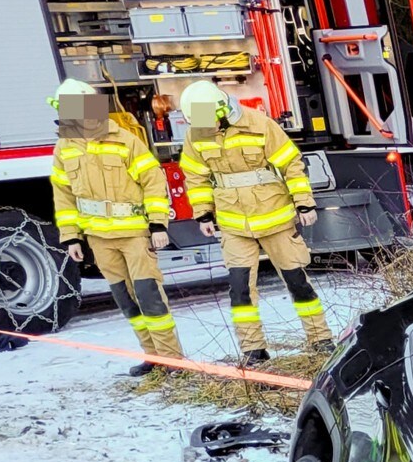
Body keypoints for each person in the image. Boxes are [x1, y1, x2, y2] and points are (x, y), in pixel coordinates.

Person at [176, 81, 325, 365]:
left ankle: (320, 339)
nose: (205, 128)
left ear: (222, 111)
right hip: (233, 225)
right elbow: (195, 177)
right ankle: (254, 351)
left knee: (297, 282)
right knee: (240, 289)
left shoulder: (259, 124)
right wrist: (203, 213)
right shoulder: (196, 134)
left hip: (275, 217)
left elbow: (292, 164)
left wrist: (304, 202)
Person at [47, 79, 183, 374]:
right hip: (99, 238)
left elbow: (153, 181)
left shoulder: (123, 140)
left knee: (148, 295)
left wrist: (158, 225)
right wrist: (71, 237)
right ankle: (153, 357)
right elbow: (64, 194)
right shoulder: (65, 147)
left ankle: (172, 359)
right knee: (126, 300)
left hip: (134, 235)